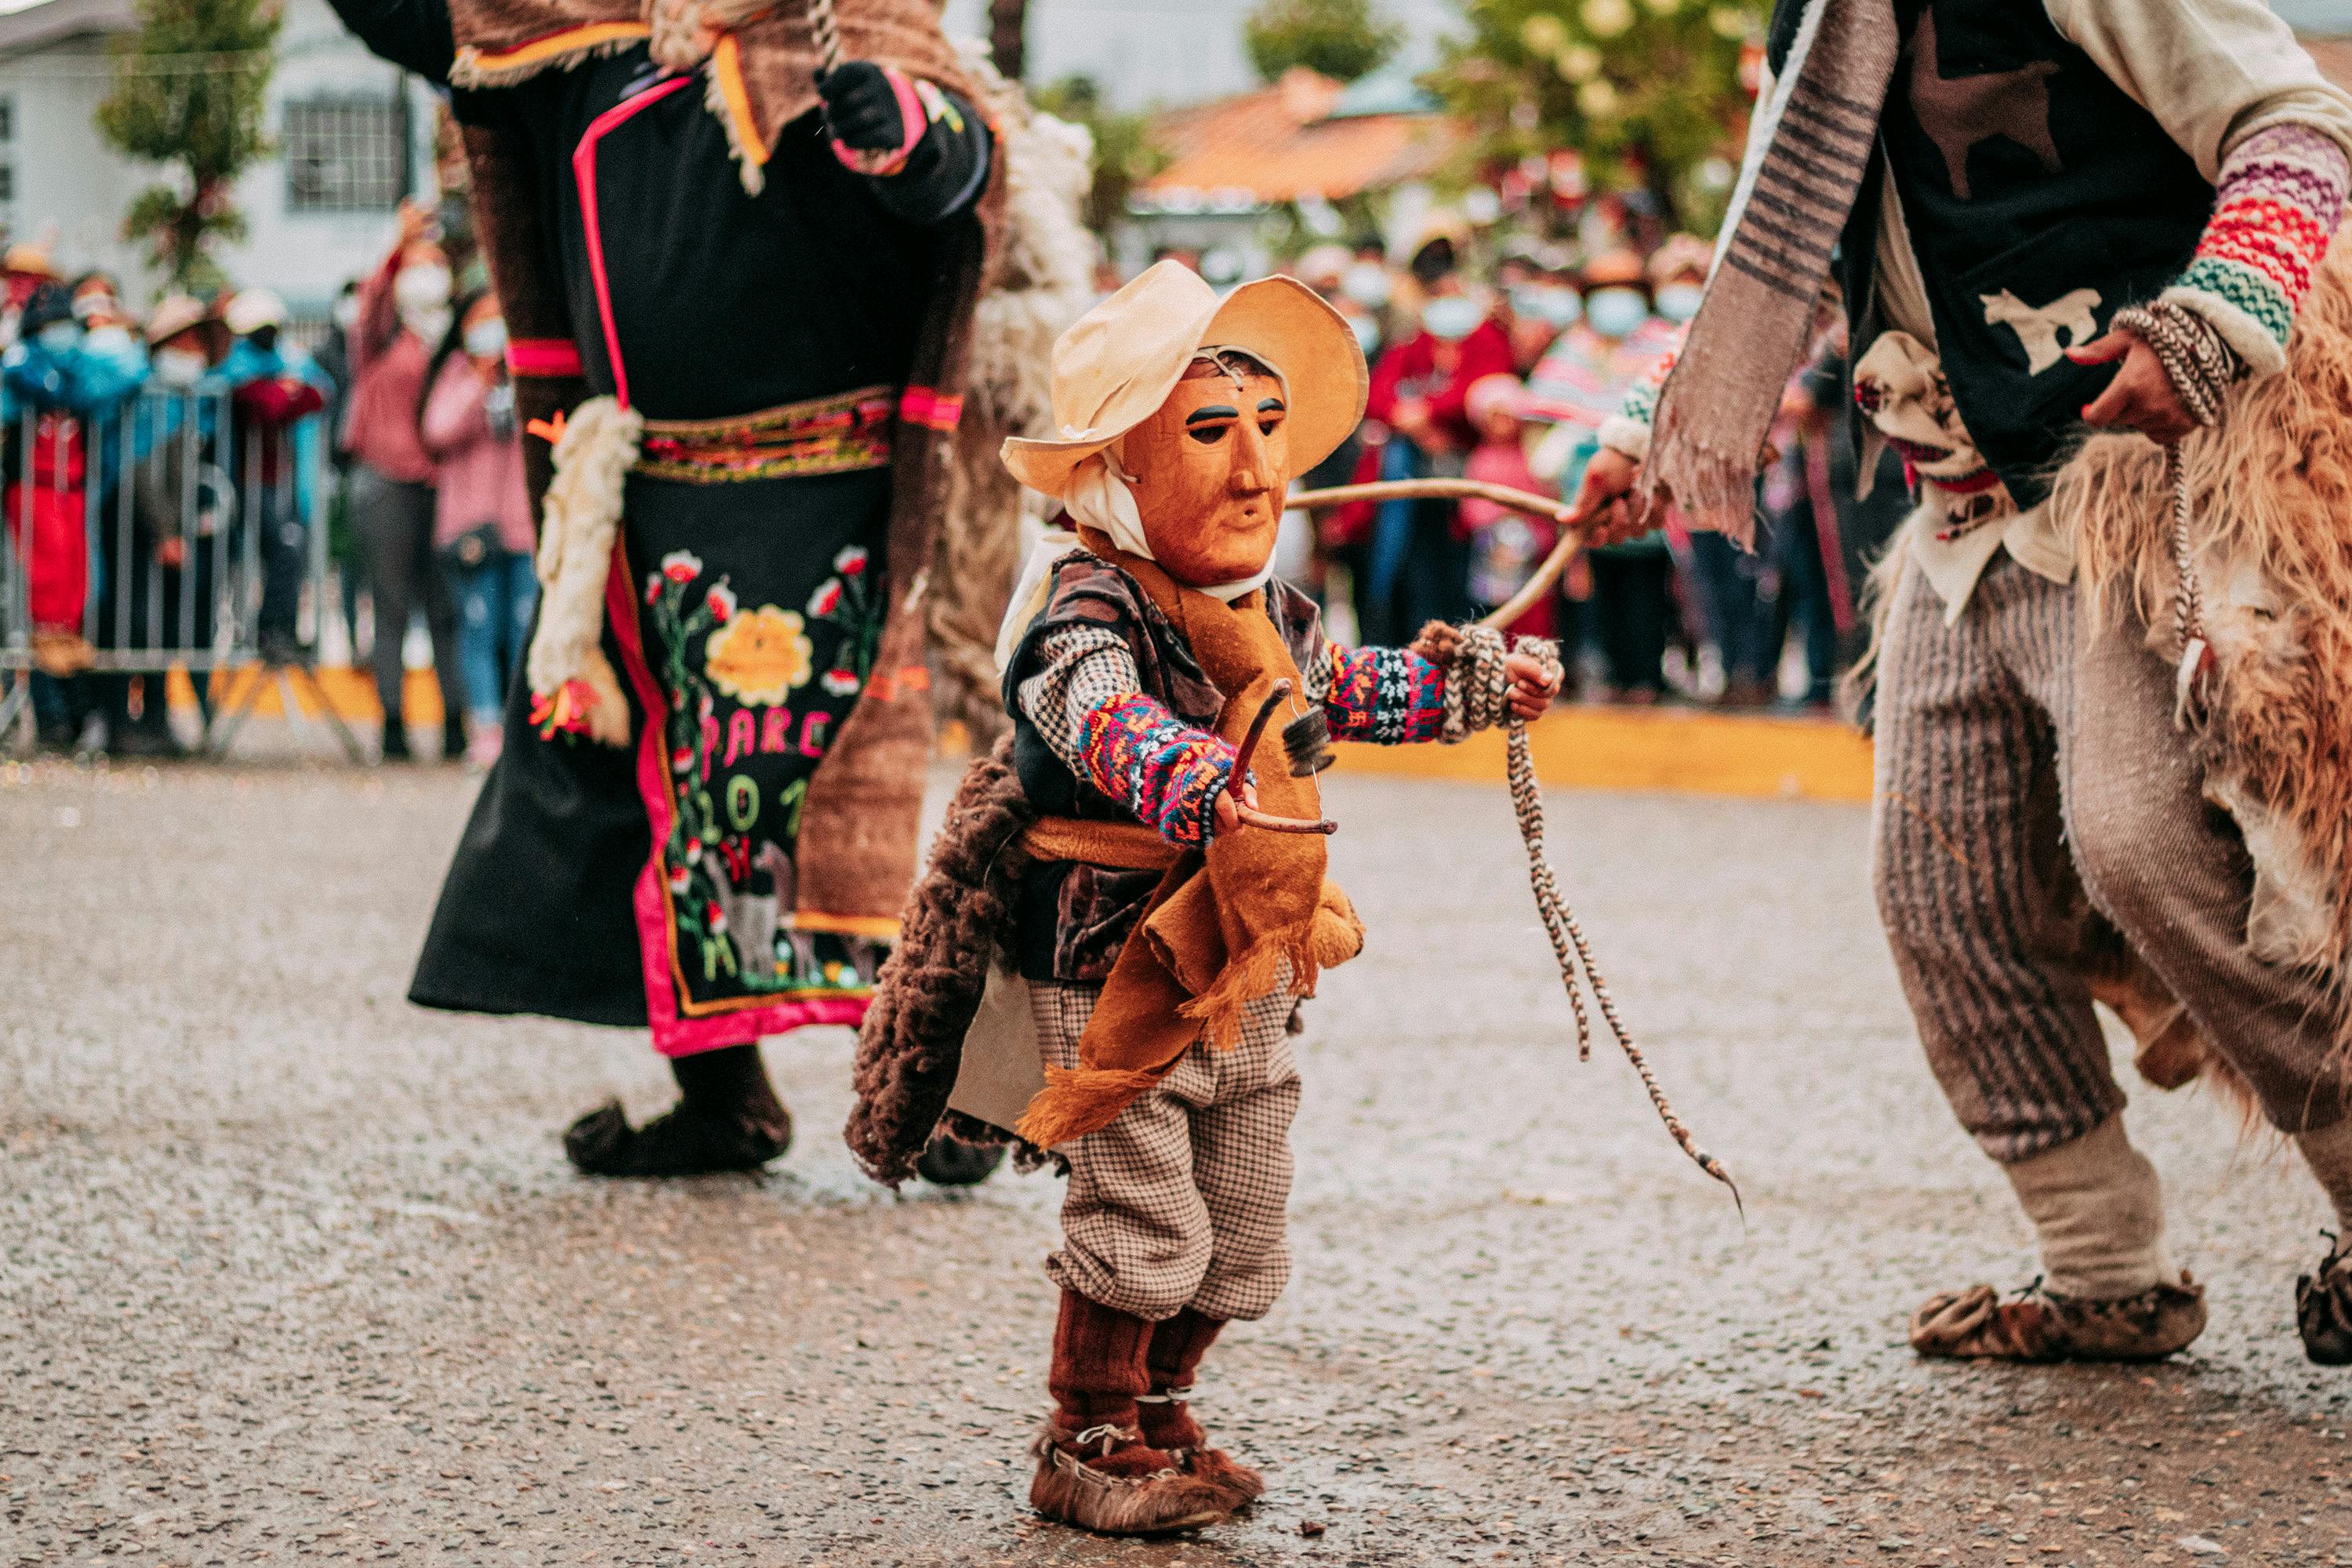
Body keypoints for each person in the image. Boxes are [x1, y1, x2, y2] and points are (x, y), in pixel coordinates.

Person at [1574, 0, 2352, 1363]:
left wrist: (2213, 318)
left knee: (2144, 841)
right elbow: (1800, 250)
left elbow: (2299, 128)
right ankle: (2106, 1268)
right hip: (1952, 510)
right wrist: (1659, 423)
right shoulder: (1822, 16)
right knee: (1944, 892)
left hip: (2139, 483)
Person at [847, 263, 1563, 1534]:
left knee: (1242, 1220)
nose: (1254, 472)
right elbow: (1089, 708)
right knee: (1140, 1209)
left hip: (1251, 954)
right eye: (1208, 434)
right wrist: (1186, 771)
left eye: (1268, 433)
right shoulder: (1078, 601)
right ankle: (1089, 1431)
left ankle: (1165, 1402)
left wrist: (1476, 686)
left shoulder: (1267, 615)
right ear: (1114, 470)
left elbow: (1342, 690)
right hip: (1110, 962)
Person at [327, 0, 1006, 1178]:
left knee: (812, 813)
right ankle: (726, 1095)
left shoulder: (843, 18)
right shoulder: (568, 31)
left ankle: (932, 1089)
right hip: (638, 509)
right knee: (655, 820)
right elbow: (417, 17)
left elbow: (961, 180)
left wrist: (910, 133)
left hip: (816, 496)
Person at [343, 205, 468, 762]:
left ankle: (457, 723)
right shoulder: (382, 337)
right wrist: (396, 246)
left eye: (434, 263)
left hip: (445, 486)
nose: (427, 273)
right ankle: (392, 725)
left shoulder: (460, 340)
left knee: (447, 611)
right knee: (391, 608)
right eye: (416, 266)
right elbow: (368, 307)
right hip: (387, 482)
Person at [1526, 249, 1679, 700]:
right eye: (1605, 290)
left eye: (1626, 289)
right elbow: (1539, 419)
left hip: (1645, 497)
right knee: (1592, 588)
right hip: (1582, 496)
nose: (1616, 299)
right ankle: (1606, 675)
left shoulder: (1665, 346)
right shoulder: (1573, 348)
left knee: (1648, 589)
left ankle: (1646, 678)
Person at [420, 289, 534, 768]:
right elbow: (436, 432)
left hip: (523, 530)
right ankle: (486, 727)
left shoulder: (528, 379)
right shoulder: (455, 376)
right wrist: (478, 386)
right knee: (478, 627)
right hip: (471, 533)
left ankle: (523, 732)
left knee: (524, 628)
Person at [220, 289, 328, 667]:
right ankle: (265, 632)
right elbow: (269, 405)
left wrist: (289, 391)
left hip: (277, 483)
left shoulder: (284, 363)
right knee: (276, 551)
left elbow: (317, 395)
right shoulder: (234, 368)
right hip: (242, 483)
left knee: (290, 550)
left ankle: (280, 630)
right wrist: (285, 392)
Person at [1459, 372, 1567, 644]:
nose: (1502, 425)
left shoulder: (1532, 456)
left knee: (1535, 613)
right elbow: (1471, 508)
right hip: (1494, 556)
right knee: (1497, 615)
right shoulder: (1480, 459)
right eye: (1495, 417)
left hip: (1533, 554)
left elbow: (1548, 498)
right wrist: (1499, 519)